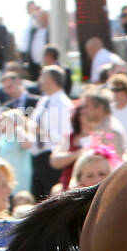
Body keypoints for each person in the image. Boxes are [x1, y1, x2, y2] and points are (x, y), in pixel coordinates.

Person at [28, 65, 71, 198]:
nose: (39, 80)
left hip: (51, 158)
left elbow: (65, 135)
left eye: (42, 76)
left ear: (51, 80)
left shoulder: (64, 104)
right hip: (37, 157)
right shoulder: (43, 101)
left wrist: (41, 131)